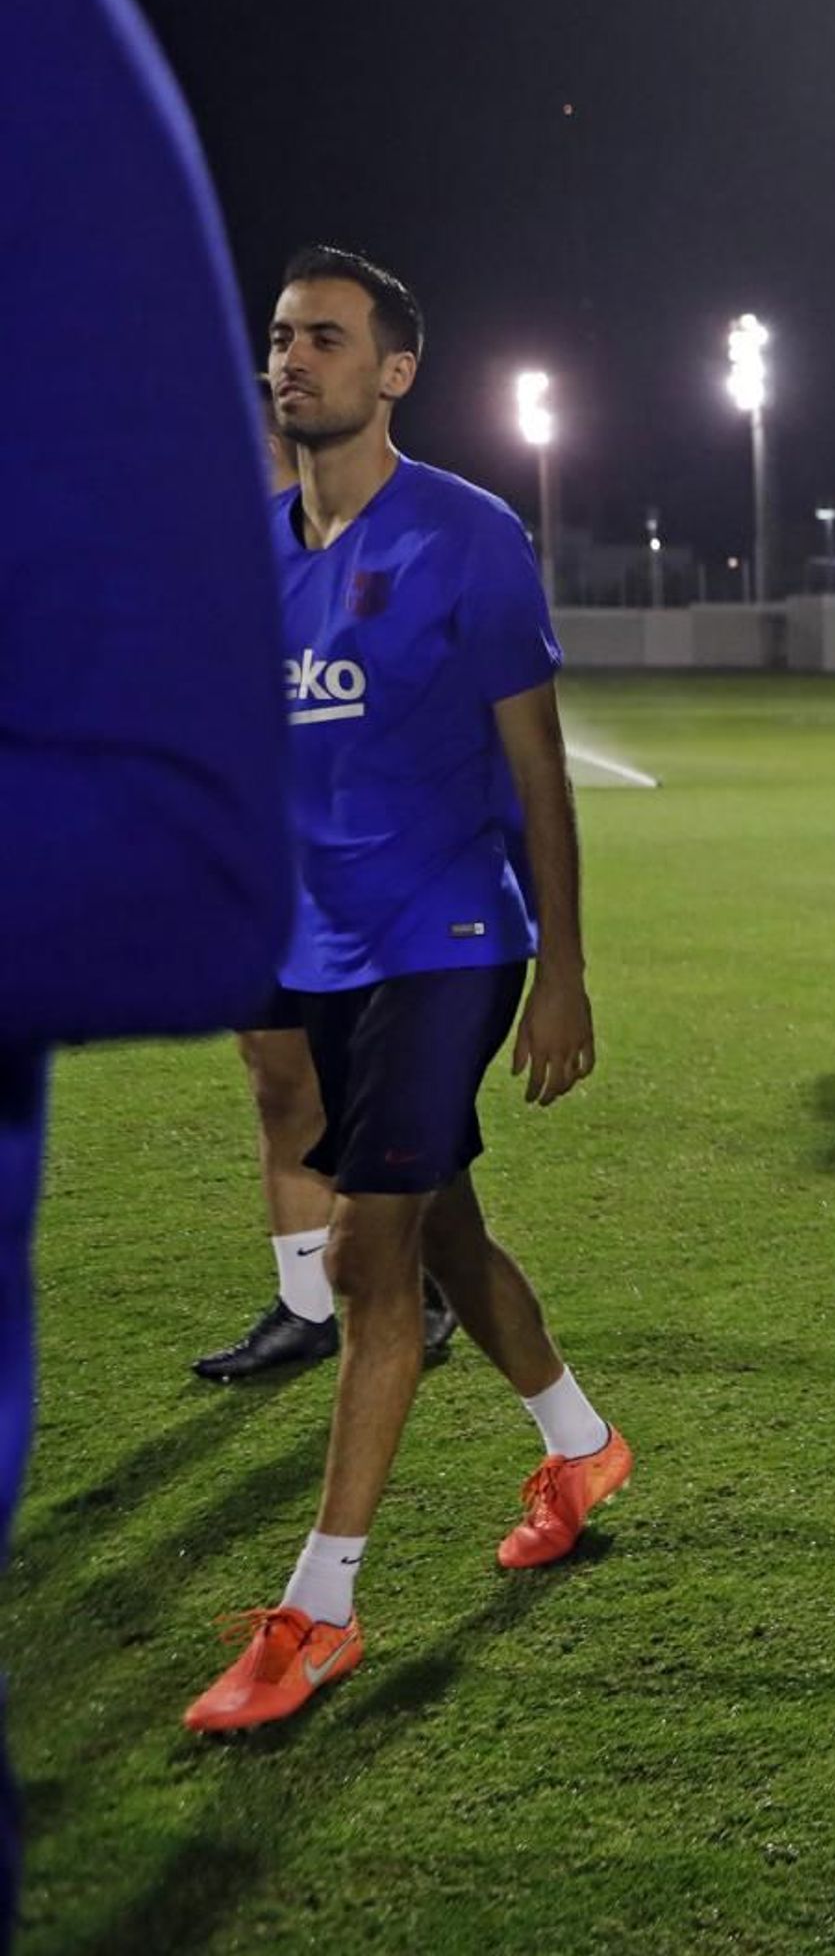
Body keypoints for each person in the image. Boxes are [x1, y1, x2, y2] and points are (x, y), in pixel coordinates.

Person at [186, 249, 628, 1735]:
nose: (291, 358)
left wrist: (563, 971)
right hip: (318, 946)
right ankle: (580, 1443)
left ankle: (318, 1611)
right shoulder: (255, 553)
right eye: (281, 337)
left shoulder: (467, 535)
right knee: (442, 1226)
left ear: (395, 372)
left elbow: (538, 770)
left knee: (372, 1258)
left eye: (326, 337)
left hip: (449, 935)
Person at [7, 0, 294, 1903]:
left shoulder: (29, 34)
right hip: (339, 943)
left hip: (426, 923)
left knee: (405, 1200)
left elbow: (186, 847)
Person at [196, 384, 459, 1382]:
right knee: (276, 1082)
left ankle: (416, 1280)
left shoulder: (370, 553)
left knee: (369, 1092)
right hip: (259, 865)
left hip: (363, 873)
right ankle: (305, 1306)